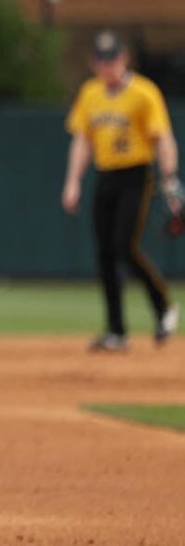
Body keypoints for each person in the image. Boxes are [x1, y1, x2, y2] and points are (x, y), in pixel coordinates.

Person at [62, 30, 184, 352]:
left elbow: (163, 138)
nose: (108, 66)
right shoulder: (90, 94)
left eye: (113, 58)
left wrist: (170, 178)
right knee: (104, 253)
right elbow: (83, 141)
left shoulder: (144, 93)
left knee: (124, 246)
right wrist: (73, 180)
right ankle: (116, 331)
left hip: (136, 174)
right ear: (93, 63)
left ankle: (163, 307)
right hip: (106, 175)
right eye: (102, 60)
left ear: (125, 58)